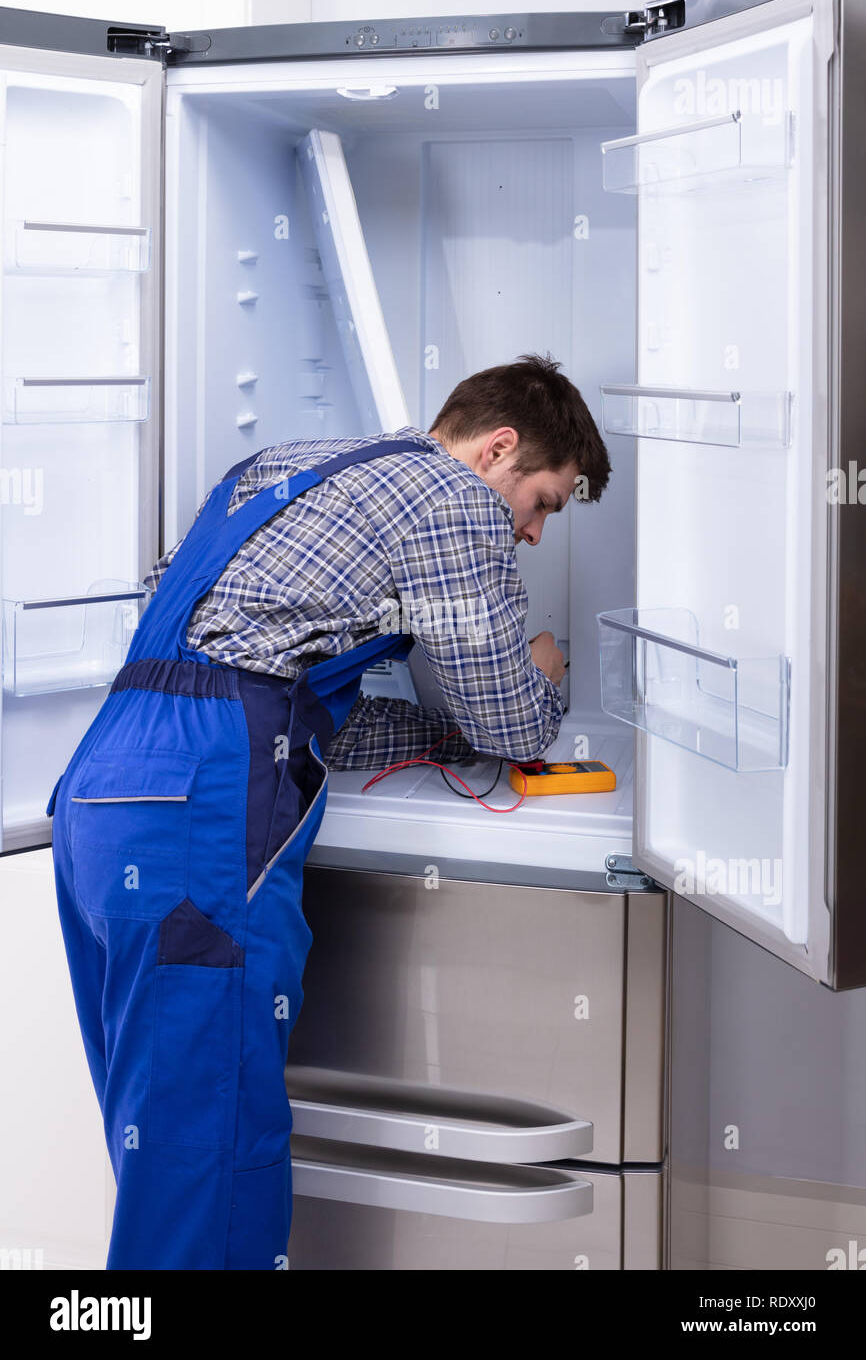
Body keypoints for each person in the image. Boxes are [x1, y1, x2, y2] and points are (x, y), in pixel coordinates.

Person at [47, 353, 611, 1269]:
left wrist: (434, 737)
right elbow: (510, 716)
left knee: (164, 1156)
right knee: (215, 1167)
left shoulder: (279, 465)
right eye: (545, 500)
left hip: (104, 791)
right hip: (204, 814)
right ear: (499, 447)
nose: (537, 533)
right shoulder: (452, 498)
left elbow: (271, 692)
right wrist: (546, 671)